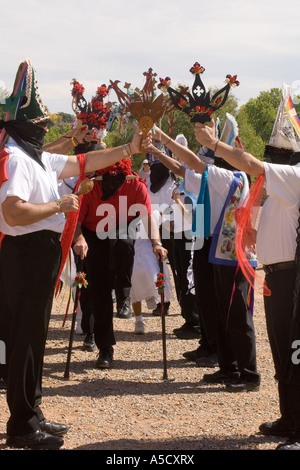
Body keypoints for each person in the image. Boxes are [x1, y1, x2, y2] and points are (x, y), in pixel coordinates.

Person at [0, 58, 144, 450]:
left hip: (40, 252)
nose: (45, 129)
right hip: (25, 252)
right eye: (40, 124)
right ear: (24, 126)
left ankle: (33, 411)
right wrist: (57, 208)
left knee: (33, 336)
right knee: (24, 338)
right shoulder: (15, 158)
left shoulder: (37, 157)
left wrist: (127, 148)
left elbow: (84, 160)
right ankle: (21, 426)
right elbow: (12, 211)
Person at [194, 112, 300, 450]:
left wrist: (214, 144)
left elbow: (250, 163)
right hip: (276, 276)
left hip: (293, 278)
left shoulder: (295, 176)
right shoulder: (281, 188)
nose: (272, 158)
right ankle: (290, 418)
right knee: (283, 350)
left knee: (296, 352)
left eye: (278, 153)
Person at [142, 125, 260, 393]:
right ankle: (228, 367)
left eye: (208, 161)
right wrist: (155, 151)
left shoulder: (226, 176)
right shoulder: (218, 178)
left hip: (229, 252)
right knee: (221, 310)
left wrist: (163, 138)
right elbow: (182, 169)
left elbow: (191, 164)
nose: (201, 165)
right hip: (217, 248)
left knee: (237, 313)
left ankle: (249, 373)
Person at [72, 159, 166, 369]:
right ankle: (105, 347)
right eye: (109, 182)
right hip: (93, 233)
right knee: (99, 290)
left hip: (123, 227)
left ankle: (124, 295)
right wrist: (79, 239)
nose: (113, 186)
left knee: (124, 243)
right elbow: (76, 222)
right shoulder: (89, 187)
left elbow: (148, 217)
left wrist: (157, 243)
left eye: (118, 182)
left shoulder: (136, 185)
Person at [130, 211, 171, 334]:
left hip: (148, 248)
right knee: (133, 284)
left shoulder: (153, 213)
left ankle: (150, 295)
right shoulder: (125, 213)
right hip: (132, 249)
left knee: (151, 271)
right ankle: (138, 320)